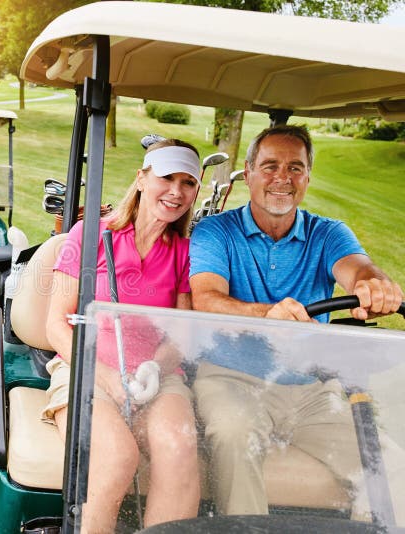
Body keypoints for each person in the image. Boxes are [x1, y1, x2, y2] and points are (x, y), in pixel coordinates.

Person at [189, 124, 403, 516]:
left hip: (311, 389)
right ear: (248, 172)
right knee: (235, 435)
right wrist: (267, 313)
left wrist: (375, 285)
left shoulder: (327, 233)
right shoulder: (216, 232)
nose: (282, 179)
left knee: (392, 465)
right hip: (231, 377)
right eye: (270, 166)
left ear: (307, 177)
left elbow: (359, 269)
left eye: (295, 168)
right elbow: (205, 299)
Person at [43, 139, 203, 531]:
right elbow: (56, 325)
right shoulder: (91, 235)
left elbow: (180, 336)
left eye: (188, 183)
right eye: (167, 178)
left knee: (179, 448)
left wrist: (153, 368)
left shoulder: (184, 252)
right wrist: (107, 377)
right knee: (115, 457)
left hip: (156, 377)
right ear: (142, 178)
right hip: (84, 366)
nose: (176, 191)